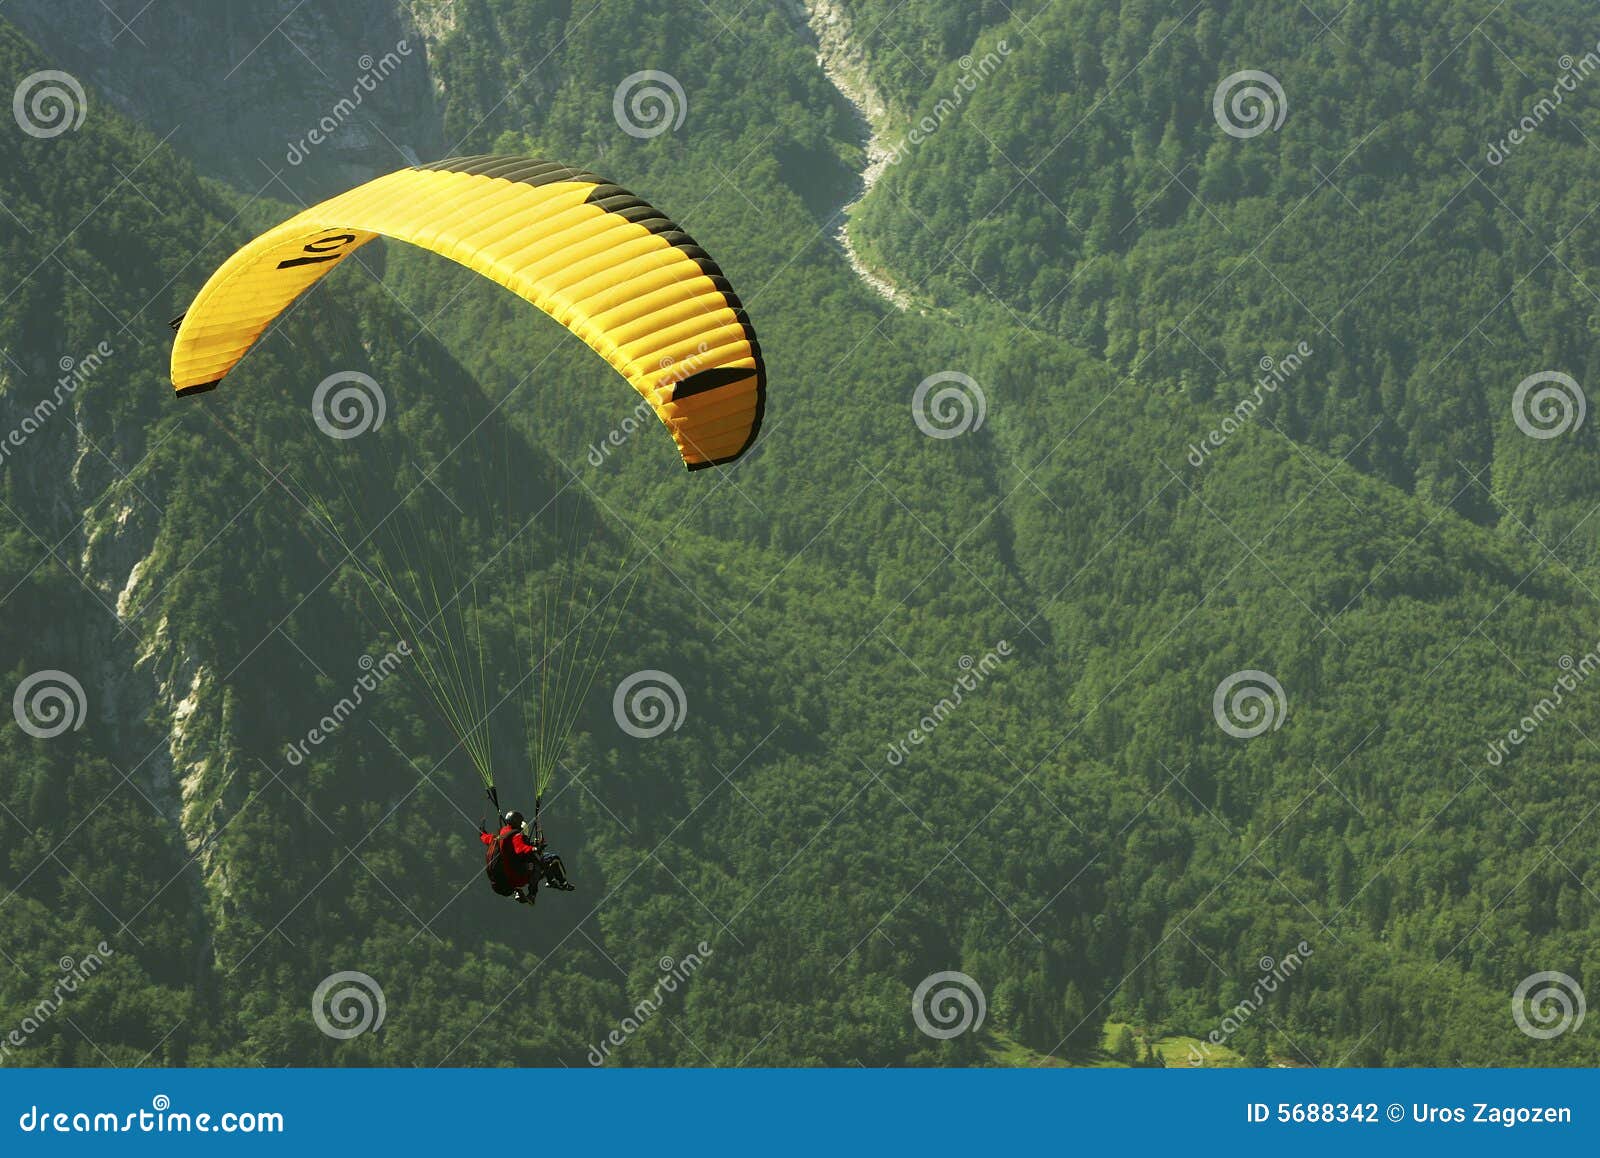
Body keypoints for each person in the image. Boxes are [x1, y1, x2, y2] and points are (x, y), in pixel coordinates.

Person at [480, 810, 575, 904]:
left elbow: (486, 838)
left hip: (505, 879)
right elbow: (520, 848)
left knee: (539, 861)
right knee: (547, 860)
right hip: (517, 876)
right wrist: (534, 848)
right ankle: (534, 894)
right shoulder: (515, 835)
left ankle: (548, 882)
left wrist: (482, 833)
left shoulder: (500, 835)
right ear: (516, 822)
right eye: (520, 822)